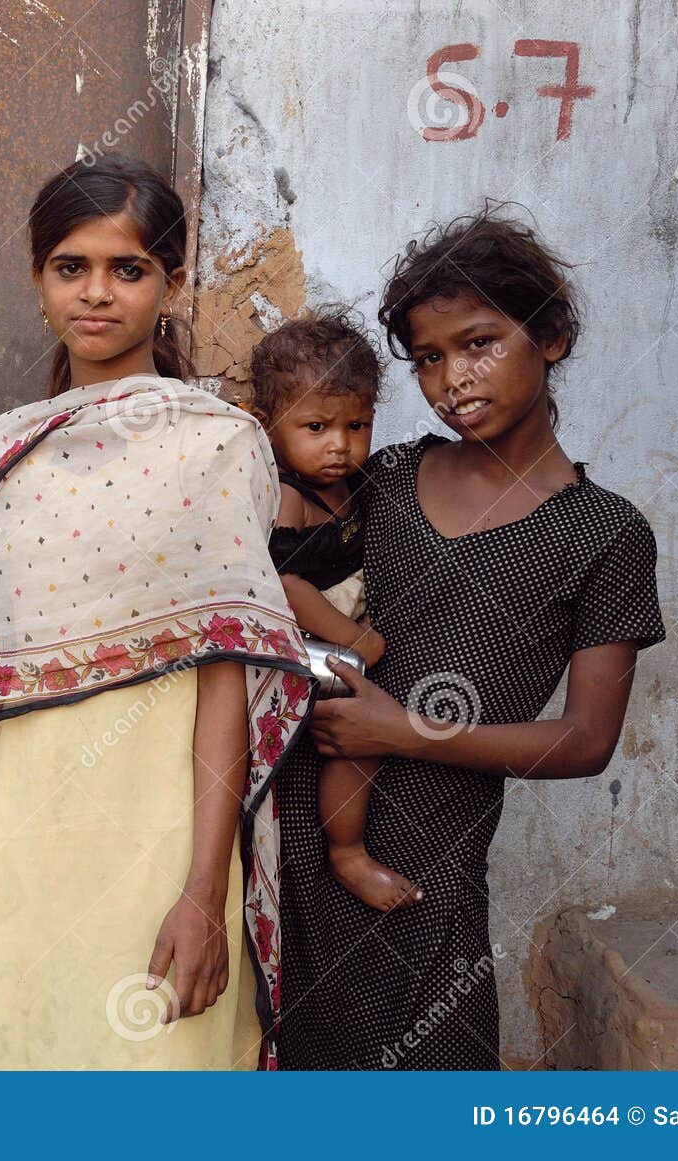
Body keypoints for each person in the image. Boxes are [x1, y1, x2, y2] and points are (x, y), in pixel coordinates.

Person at [0, 153, 313, 1069]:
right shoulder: (5, 451)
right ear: (38, 279)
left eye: (129, 270)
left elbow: (226, 678)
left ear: (172, 284)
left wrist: (205, 885)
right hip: (19, 829)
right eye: (70, 267)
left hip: (161, 828)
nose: (98, 293)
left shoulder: (220, 444)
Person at [277, 205, 665, 1069]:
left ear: (551, 334)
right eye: (428, 359)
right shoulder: (384, 476)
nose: (453, 376)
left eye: (480, 343)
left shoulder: (604, 534)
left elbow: (586, 740)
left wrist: (403, 729)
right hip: (289, 838)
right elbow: (269, 564)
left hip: (425, 876)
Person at [252, 309, 421, 912]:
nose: (339, 445)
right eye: (317, 426)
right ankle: (347, 852)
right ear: (270, 428)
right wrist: (357, 642)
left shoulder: (358, 485)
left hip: (344, 630)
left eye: (357, 425)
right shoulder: (289, 494)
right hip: (308, 642)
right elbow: (289, 584)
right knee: (362, 729)